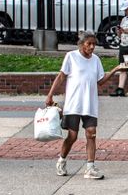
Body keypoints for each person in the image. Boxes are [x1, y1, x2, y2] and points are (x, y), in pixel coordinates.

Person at [46, 32, 121, 180]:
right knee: (72, 136)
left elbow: (100, 81)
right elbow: (61, 76)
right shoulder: (71, 57)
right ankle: (62, 160)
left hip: (90, 103)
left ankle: (90, 168)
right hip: (74, 103)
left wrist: (115, 69)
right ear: (81, 44)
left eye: (94, 44)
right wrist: (50, 95)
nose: (92, 47)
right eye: (89, 44)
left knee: (91, 133)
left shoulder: (96, 60)